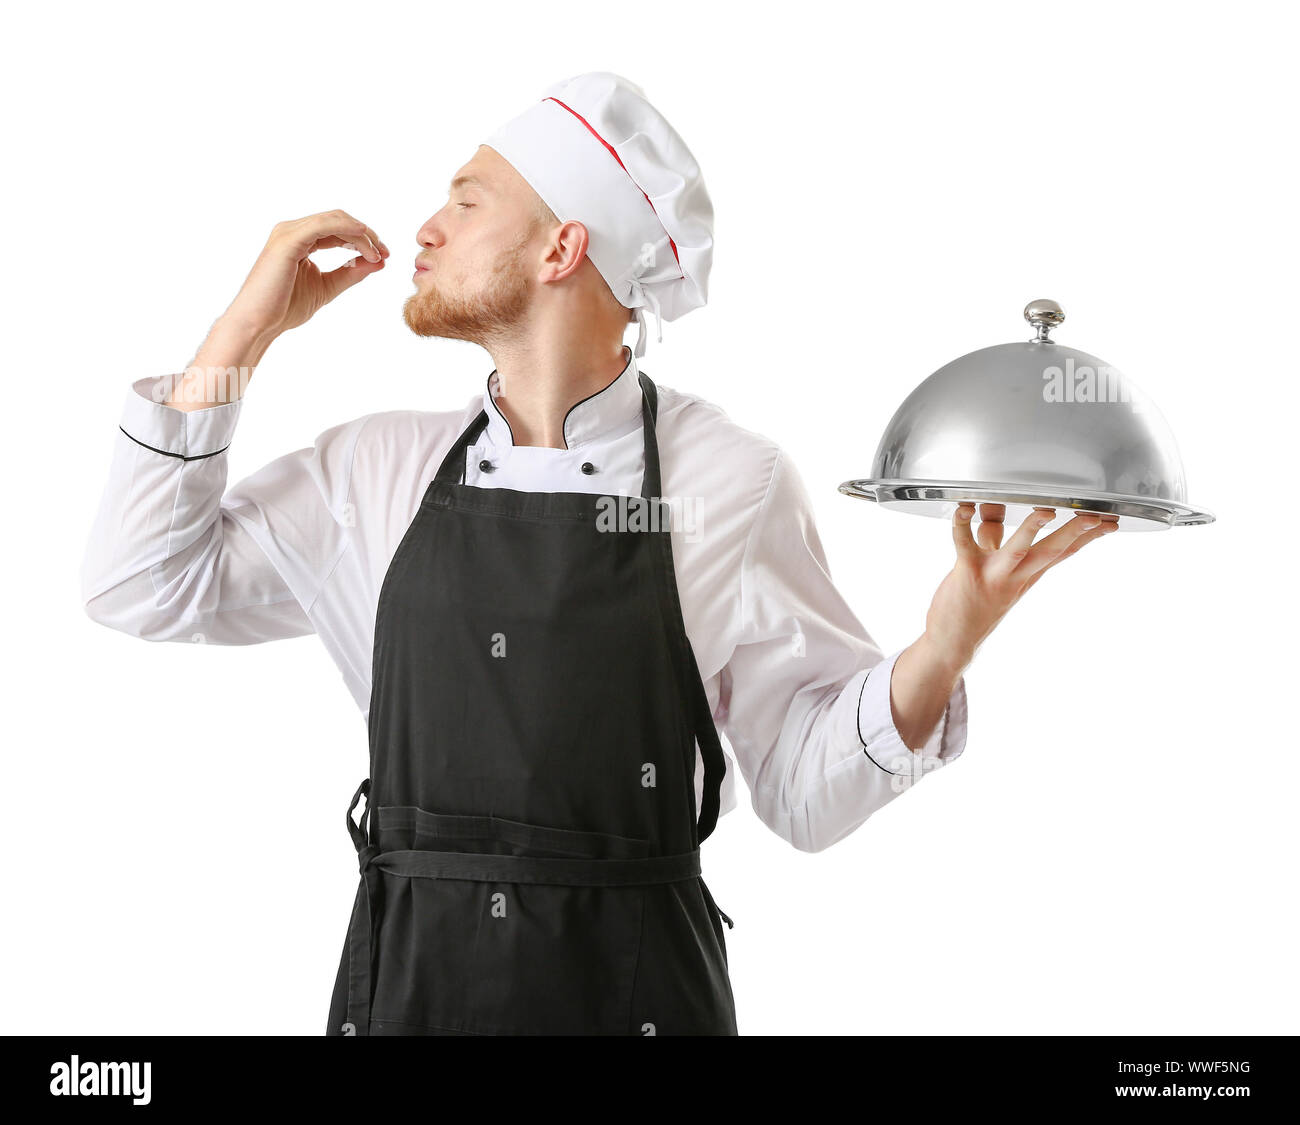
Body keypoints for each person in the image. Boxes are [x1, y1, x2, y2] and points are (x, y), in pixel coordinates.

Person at [81, 72, 1116, 1036]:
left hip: (636, 1001)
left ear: (562, 249)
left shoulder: (728, 483)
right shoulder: (372, 471)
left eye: (469, 201)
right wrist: (238, 337)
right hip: (409, 994)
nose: (426, 228)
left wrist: (945, 641)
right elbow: (142, 584)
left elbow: (801, 791)